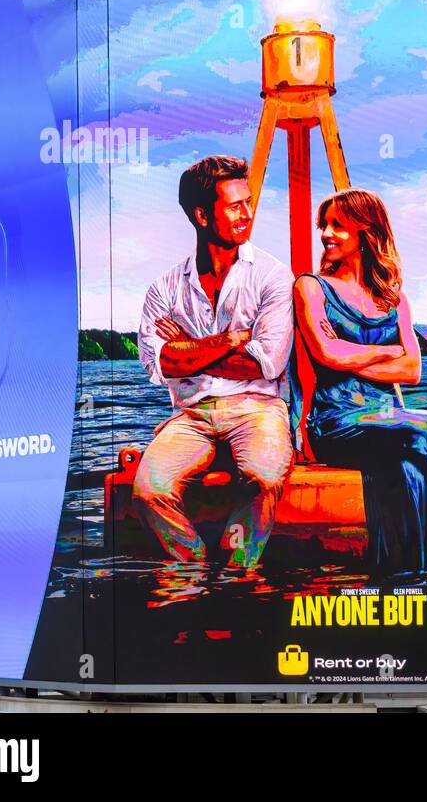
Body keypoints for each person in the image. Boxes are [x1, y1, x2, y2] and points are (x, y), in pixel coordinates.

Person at [291, 187, 427, 574]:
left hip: (390, 421)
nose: (327, 234)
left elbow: (412, 369)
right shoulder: (310, 287)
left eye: (338, 226)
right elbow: (326, 354)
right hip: (334, 424)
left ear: (366, 231)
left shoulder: (394, 300)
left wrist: (349, 355)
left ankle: (404, 573)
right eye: (323, 226)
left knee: (407, 470)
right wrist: (386, 352)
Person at [134, 155, 295, 570]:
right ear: (202, 215)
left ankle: (239, 572)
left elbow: (266, 365)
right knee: (149, 491)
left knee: (264, 477)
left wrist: (191, 348)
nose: (248, 214)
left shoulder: (274, 277)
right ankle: (194, 567)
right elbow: (160, 364)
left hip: (258, 408)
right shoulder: (164, 288)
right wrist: (227, 341)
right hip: (192, 414)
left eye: (248, 202)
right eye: (235, 205)